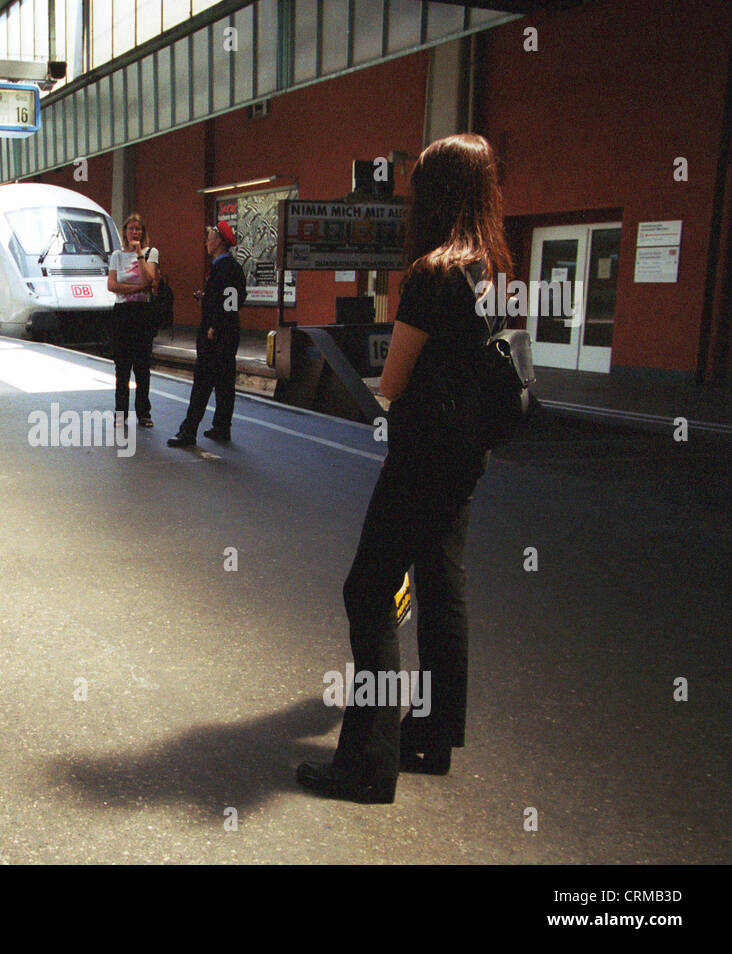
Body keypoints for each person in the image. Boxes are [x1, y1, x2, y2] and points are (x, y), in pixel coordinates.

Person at [295, 133, 511, 804]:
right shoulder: (492, 270)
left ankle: (369, 763)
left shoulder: (431, 274)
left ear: (436, 194)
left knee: (368, 592)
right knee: (442, 586)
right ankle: (433, 736)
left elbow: (391, 381)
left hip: (421, 457)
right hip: (467, 454)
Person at [167, 221, 246, 447]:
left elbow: (231, 303)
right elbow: (229, 299)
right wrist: (207, 298)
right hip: (227, 333)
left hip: (217, 336)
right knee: (224, 383)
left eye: (209, 239)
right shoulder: (227, 267)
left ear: (219, 242)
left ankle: (188, 431)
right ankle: (222, 427)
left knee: (202, 383)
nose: (206, 243)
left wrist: (215, 326)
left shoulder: (225, 268)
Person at [107, 213, 160, 427]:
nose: (135, 232)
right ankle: (120, 413)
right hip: (122, 313)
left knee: (142, 366)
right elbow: (112, 285)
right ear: (125, 232)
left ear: (143, 232)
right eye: (131, 228)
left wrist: (139, 254)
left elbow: (149, 278)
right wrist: (138, 288)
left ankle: (144, 413)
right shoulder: (116, 256)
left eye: (138, 229)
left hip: (143, 314)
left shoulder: (150, 252)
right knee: (122, 367)